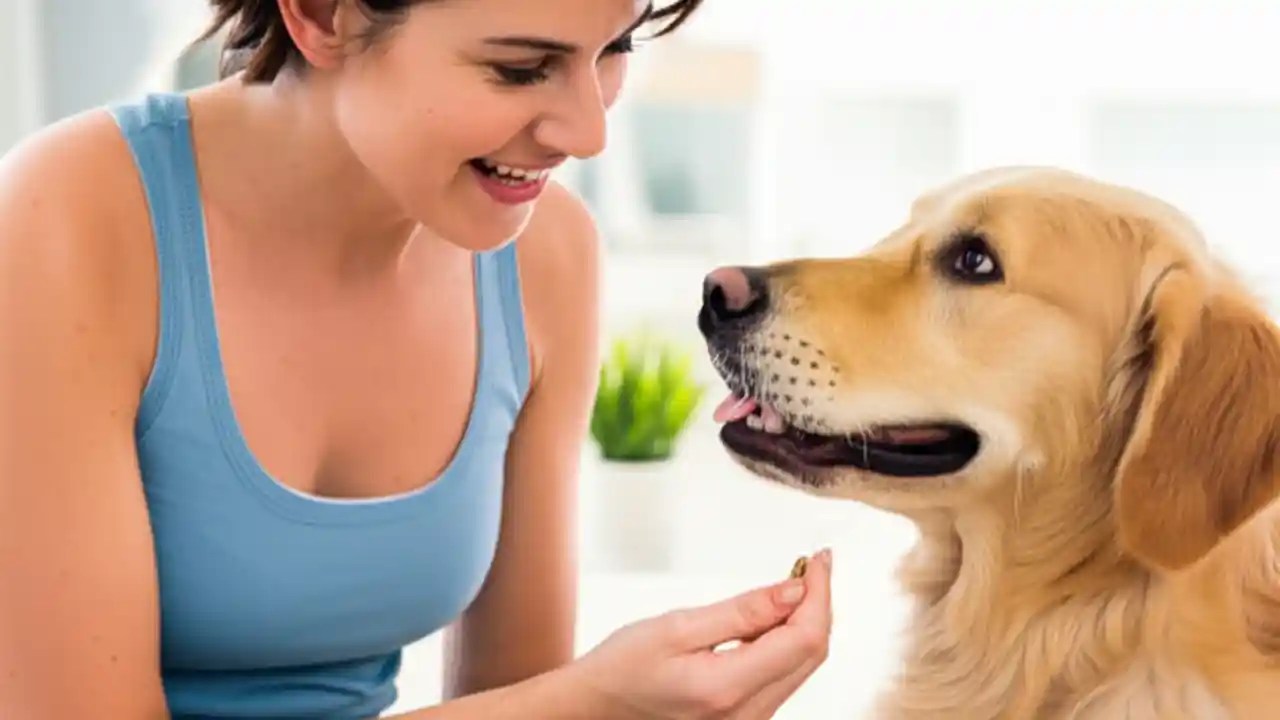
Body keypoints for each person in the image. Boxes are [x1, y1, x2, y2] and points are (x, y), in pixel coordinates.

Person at [0, 0, 833, 718]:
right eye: (520, 69)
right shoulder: (68, 219)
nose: (588, 134)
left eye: (614, 47)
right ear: (322, 15)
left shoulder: (542, 256)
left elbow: (516, 699)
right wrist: (590, 702)